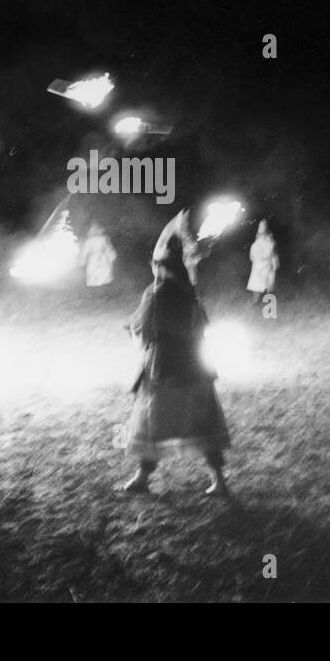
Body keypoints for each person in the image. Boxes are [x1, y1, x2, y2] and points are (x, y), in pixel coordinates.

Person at [119, 212, 230, 497]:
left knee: (153, 421)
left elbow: (145, 333)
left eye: (156, 265)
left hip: (164, 368)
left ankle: (143, 478)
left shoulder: (154, 294)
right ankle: (219, 480)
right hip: (195, 367)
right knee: (203, 421)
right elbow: (203, 327)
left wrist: (133, 331)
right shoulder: (190, 294)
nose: (153, 269)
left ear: (162, 266)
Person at [246, 220, 279, 304]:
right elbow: (254, 254)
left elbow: (271, 251)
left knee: (265, 283)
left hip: (264, 264)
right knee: (259, 283)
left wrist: (273, 261)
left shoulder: (268, 240)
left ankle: (265, 300)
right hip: (261, 264)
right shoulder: (260, 241)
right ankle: (257, 300)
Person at [80, 222, 117, 288]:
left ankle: (104, 285)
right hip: (93, 258)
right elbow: (85, 251)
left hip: (103, 258)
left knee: (105, 270)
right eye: (93, 230)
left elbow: (108, 248)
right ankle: (96, 286)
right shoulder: (89, 241)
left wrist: (111, 256)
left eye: (96, 229)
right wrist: (83, 260)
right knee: (93, 270)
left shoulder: (104, 239)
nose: (95, 231)